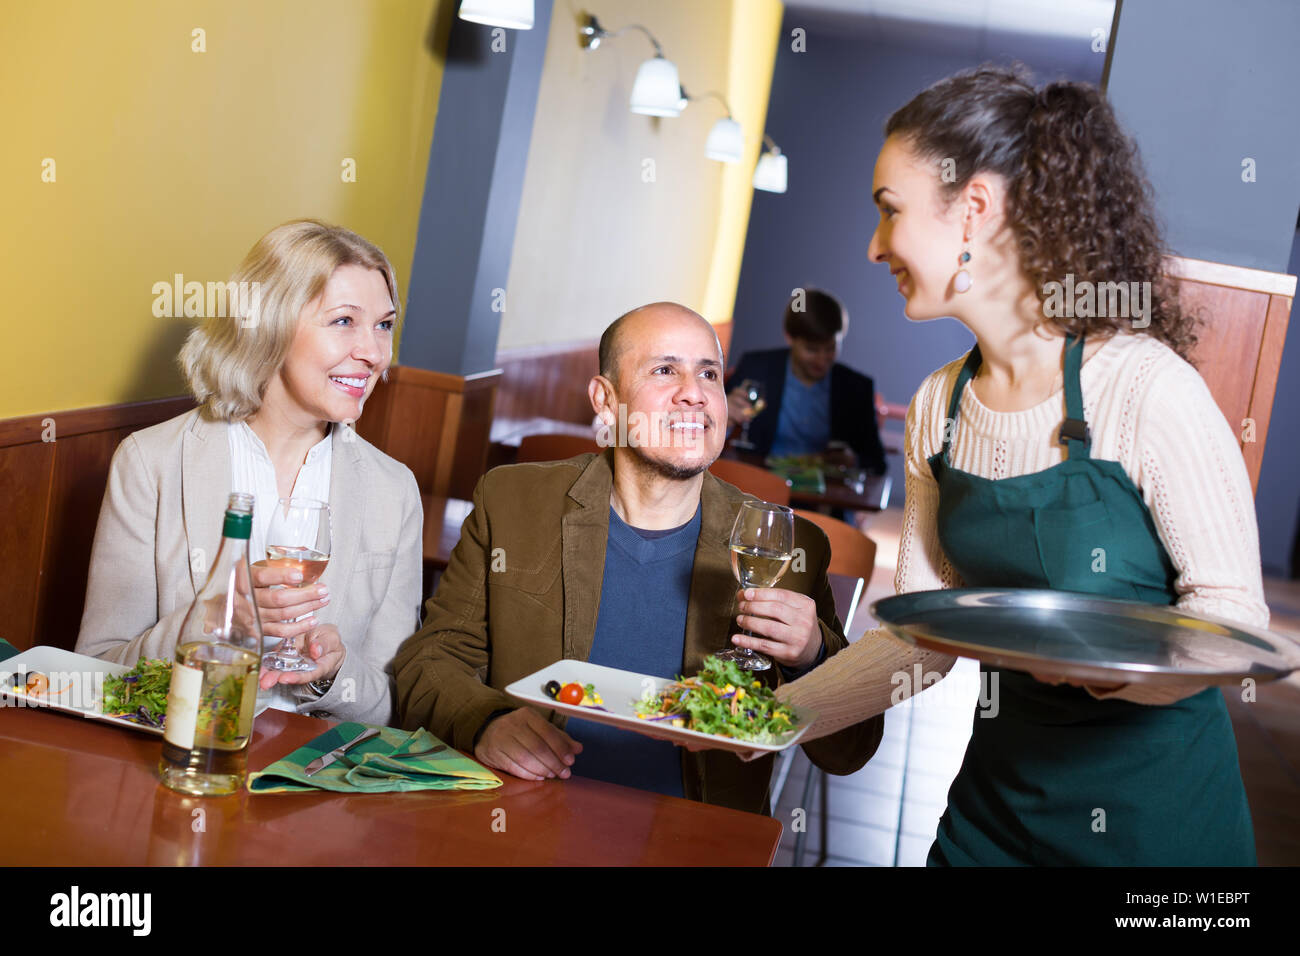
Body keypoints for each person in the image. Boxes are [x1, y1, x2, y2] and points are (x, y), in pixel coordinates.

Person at [731, 66, 1268, 865]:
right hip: (992, 819)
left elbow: (1235, 622)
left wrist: (1096, 671)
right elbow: (918, 639)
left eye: (890, 212)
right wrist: (771, 721)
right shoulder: (938, 408)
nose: (874, 247)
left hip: (1156, 829)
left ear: (974, 208)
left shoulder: (1146, 389)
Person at [393, 302, 882, 813]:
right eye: (665, 370)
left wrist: (814, 658)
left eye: (709, 373)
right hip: (522, 817)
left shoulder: (790, 546)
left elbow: (851, 751)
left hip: (693, 839)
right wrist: (486, 721)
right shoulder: (512, 502)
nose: (694, 392)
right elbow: (430, 661)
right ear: (606, 400)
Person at [76, 219, 423, 725]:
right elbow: (96, 676)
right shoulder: (150, 462)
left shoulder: (394, 491)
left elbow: (394, 706)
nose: (373, 353)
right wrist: (211, 621)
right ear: (269, 324)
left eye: (384, 325)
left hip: (311, 788)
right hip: (179, 763)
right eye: (344, 321)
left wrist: (332, 674)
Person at [725, 288, 887, 473]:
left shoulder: (856, 388)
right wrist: (724, 417)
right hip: (760, 484)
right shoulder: (755, 367)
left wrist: (853, 460)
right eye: (811, 349)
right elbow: (716, 436)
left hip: (823, 496)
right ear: (789, 338)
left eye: (831, 348)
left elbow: (876, 462)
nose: (821, 359)